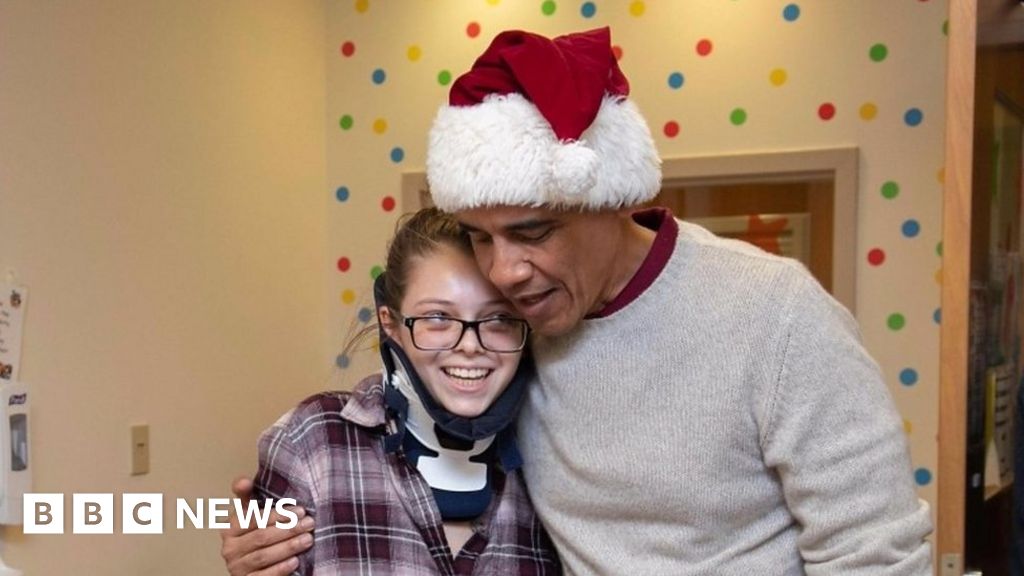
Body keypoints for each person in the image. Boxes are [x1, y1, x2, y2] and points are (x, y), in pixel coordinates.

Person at [222, 27, 934, 575]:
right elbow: (418, 406)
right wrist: (268, 538)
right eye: (479, 237)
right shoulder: (521, 328)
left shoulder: (774, 314)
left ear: (611, 198)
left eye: (533, 232)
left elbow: (877, 554)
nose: (504, 271)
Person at [230, 207, 561, 575]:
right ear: (391, 322)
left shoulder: (556, 455)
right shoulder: (311, 443)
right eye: (438, 317)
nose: (469, 345)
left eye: (498, 318)